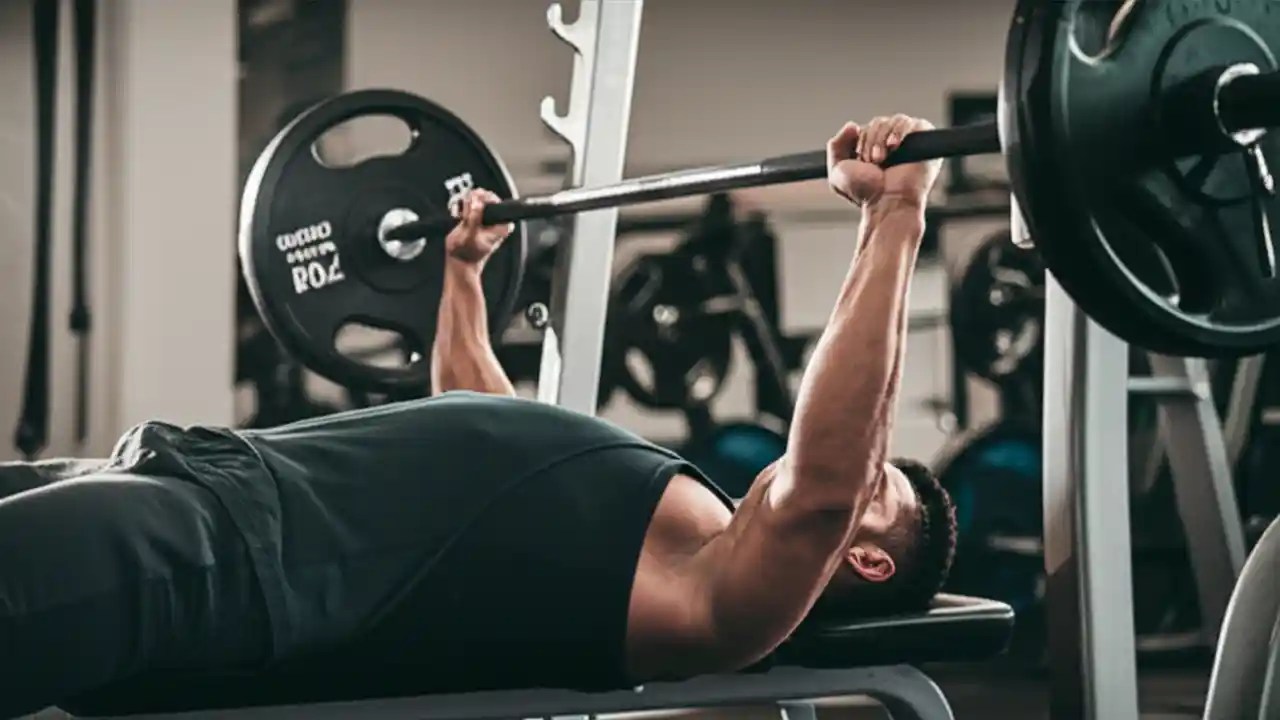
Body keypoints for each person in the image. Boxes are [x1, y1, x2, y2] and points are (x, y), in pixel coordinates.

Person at [0, 115, 956, 718]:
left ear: (866, 556)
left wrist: (895, 216)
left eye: (879, 475)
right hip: (177, 485)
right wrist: (463, 272)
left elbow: (820, 490)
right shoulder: (673, 515)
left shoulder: (726, 605)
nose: (853, 462)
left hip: (228, 562)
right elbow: (476, 416)